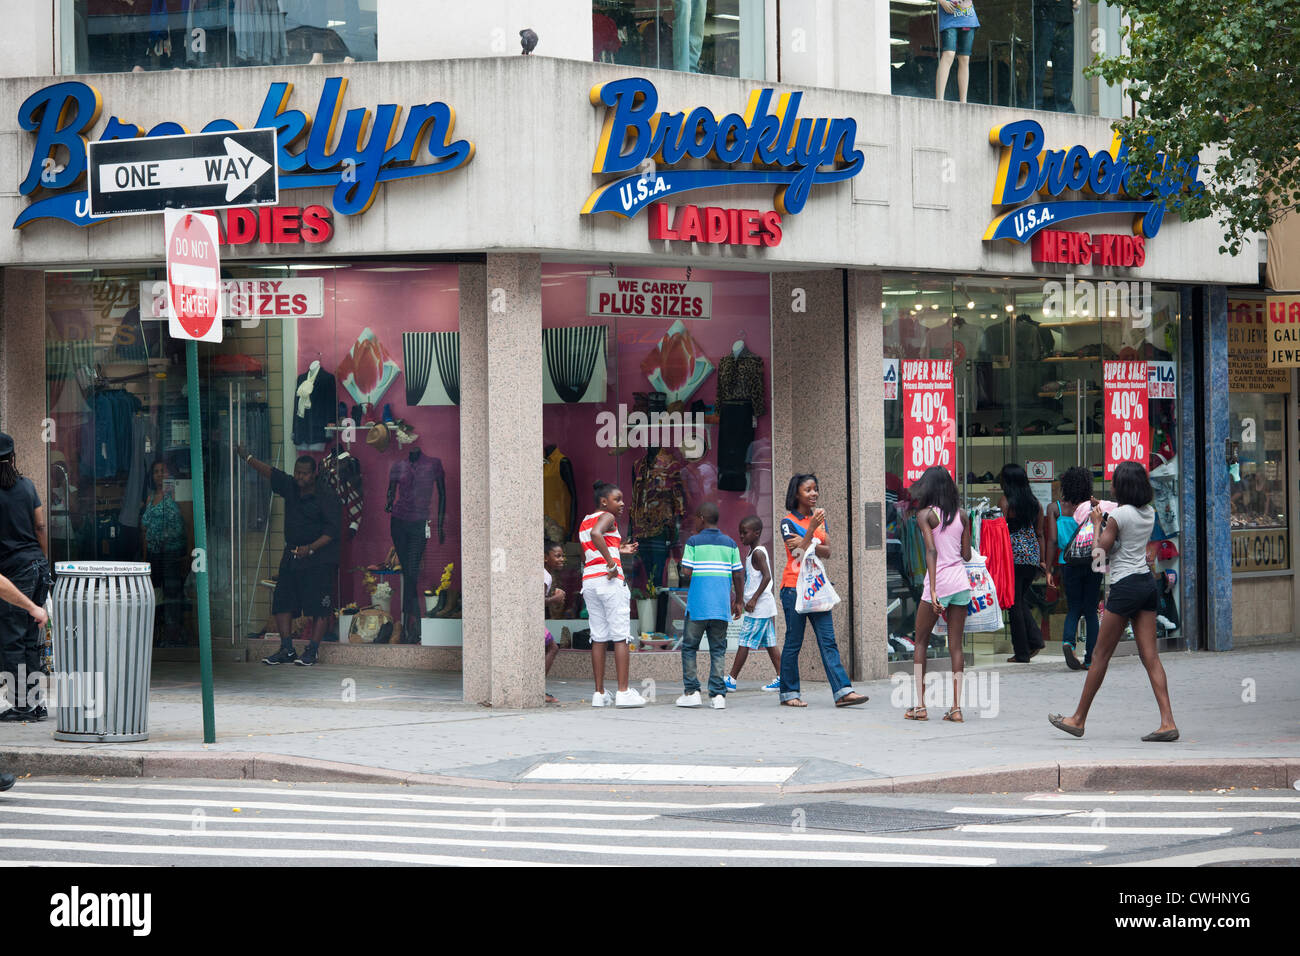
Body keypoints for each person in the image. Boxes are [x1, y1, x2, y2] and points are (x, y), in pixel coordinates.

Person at [1050, 462, 1179, 742]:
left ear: (1122, 486)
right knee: (1150, 657)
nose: (1111, 486)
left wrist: (1096, 523)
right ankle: (1168, 721)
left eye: (1115, 482)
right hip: (1146, 584)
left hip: (1124, 586)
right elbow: (1125, 516)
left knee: (1099, 656)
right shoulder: (1148, 512)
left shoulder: (1119, 515)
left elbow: (1098, 554)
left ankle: (1078, 719)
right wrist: (1103, 508)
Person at [236, 447, 341, 667]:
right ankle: (287, 648)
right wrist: (248, 457)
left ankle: (312, 651)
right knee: (282, 600)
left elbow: (332, 531)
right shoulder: (291, 486)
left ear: (314, 474)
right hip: (292, 554)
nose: (300, 477)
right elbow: (271, 472)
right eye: (297, 472)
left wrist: (310, 548)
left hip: (319, 557)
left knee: (319, 605)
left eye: (304, 473)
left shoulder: (326, 495)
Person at [777, 474, 869, 708]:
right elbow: (797, 553)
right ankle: (789, 693)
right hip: (794, 588)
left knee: (828, 641)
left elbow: (827, 551)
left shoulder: (818, 519)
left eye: (816, 489)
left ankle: (843, 691)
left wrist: (809, 541)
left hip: (816, 588)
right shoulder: (787, 522)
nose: (814, 493)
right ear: (796, 494)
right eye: (808, 490)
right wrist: (813, 533)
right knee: (793, 642)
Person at [905, 467, 972, 722]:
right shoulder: (963, 516)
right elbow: (966, 555)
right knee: (956, 646)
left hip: (939, 583)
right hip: (961, 584)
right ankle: (956, 708)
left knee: (920, 642)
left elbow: (931, 552)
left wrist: (932, 590)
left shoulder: (926, 515)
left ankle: (920, 706)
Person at [578, 481, 646, 708]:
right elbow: (598, 534)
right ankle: (624, 692)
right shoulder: (608, 517)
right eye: (617, 499)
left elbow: (588, 551)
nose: (622, 503)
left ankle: (599, 693)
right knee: (620, 636)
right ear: (604, 502)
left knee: (598, 636)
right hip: (609, 582)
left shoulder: (584, 521)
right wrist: (611, 563)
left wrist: (618, 551)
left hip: (589, 581)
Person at [0, 432, 52, 722]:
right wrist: (42, 559)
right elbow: (41, 527)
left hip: (12, 573)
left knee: (13, 640)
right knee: (32, 638)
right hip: (37, 566)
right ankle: (36, 703)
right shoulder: (27, 486)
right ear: (13, 457)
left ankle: (22, 706)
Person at [676, 502, 743, 710]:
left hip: (698, 607)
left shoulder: (693, 542)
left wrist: (681, 566)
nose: (695, 521)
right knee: (718, 650)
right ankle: (717, 696)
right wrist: (739, 600)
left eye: (696, 518)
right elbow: (738, 574)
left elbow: (686, 572)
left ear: (702, 518)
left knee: (689, 648)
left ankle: (692, 692)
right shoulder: (731, 544)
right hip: (721, 608)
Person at [1045, 465, 1100, 670]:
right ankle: (1090, 659)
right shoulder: (1093, 506)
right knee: (1091, 610)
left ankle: (1069, 641)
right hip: (1094, 560)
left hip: (1068, 562)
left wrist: (1049, 569)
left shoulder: (1055, 508)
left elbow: (1051, 540)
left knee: (1074, 606)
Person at [725, 515, 781, 693]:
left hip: (759, 607)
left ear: (756, 533)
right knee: (770, 644)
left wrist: (754, 599)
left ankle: (731, 679)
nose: (741, 536)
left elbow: (767, 577)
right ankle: (783, 678)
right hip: (761, 607)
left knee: (744, 641)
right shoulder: (752, 552)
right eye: (740, 533)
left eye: (744, 533)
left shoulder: (757, 553)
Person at [999, 463, 1046, 662]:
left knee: (1014, 604)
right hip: (1032, 556)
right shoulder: (1036, 503)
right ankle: (1034, 641)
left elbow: (1000, 532)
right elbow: (1040, 533)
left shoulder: (1006, 502)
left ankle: (1022, 652)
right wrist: (1042, 561)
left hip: (1013, 556)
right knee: (1018, 601)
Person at [141, 459, 190, 647]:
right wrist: (145, 559)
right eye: (156, 471)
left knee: (172, 595)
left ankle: (174, 636)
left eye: (163, 471)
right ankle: (157, 635)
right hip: (154, 556)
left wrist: (189, 553)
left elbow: (189, 523)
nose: (160, 474)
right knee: (155, 596)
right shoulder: (150, 497)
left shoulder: (178, 494)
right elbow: (144, 531)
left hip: (173, 554)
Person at [1033, 0, 1080, 112]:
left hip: (1063, 14)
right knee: (1038, 65)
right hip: (1042, 11)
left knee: (1064, 66)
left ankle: (1063, 107)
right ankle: (1035, 105)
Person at [936, 0, 979, 103]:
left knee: (964, 58)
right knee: (949, 54)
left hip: (968, 17)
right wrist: (942, 1)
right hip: (949, 15)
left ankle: (963, 101)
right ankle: (939, 99)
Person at [543, 540, 567, 703]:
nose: (561, 559)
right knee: (552, 648)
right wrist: (555, 599)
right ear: (545, 557)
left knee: (550, 648)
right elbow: (536, 601)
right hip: (533, 623)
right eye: (557, 556)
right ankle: (538, 688)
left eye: (562, 556)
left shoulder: (546, 574)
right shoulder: (544, 575)